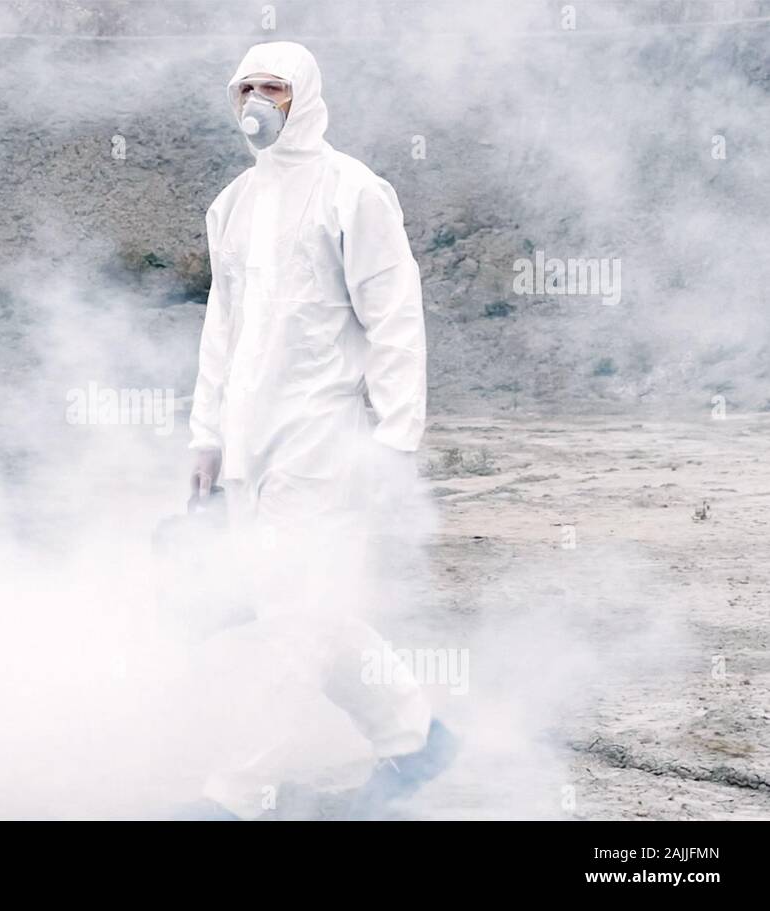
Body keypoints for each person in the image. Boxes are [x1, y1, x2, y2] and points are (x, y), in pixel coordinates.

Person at [186, 40, 456, 819]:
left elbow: (395, 318)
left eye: (273, 87)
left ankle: (233, 796)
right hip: (247, 443)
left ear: (304, 94)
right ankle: (416, 740)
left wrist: (396, 441)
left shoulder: (356, 193)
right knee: (310, 614)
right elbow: (222, 326)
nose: (256, 103)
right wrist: (205, 436)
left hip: (322, 444)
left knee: (291, 625)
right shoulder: (232, 204)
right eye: (245, 89)